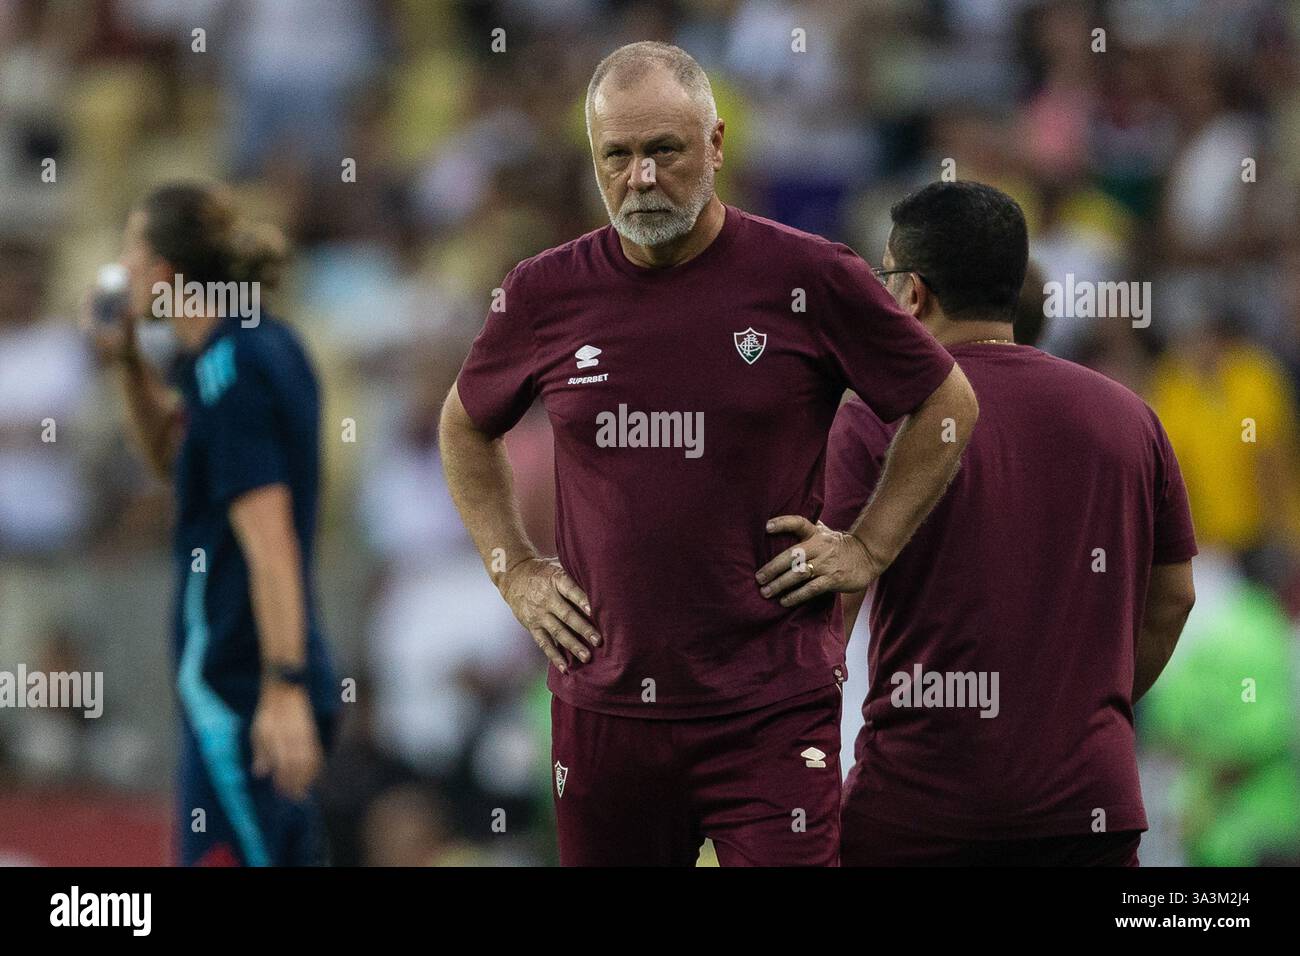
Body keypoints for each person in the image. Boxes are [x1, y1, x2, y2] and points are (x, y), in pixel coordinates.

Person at [439, 41, 977, 866]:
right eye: (617, 156)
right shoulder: (545, 292)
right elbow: (464, 426)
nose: (641, 179)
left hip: (769, 706)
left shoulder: (808, 276)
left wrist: (868, 545)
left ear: (717, 144)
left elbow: (945, 402)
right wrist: (514, 566)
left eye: (665, 151)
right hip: (604, 708)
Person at [819, 181, 1198, 866]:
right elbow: (1174, 598)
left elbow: (824, 618)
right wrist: (1075, 708)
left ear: (912, 293)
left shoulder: (879, 416)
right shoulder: (1129, 417)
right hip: (1090, 810)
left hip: (919, 812)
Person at [87, 182, 338, 866]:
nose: (120, 268)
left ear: (165, 273)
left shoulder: (233, 373)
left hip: (242, 682)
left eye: (131, 251)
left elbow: (270, 540)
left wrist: (280, 688)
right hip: (247, 681)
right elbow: (177, 459)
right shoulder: (252, 348)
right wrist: (129, 362)